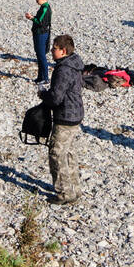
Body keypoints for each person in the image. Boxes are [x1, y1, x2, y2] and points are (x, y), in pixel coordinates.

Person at [38, 34, 84, 205]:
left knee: (56, 153)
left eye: (54, 48)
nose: (51, 50)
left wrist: (43, 94)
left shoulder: (63, 69)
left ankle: (64, 193)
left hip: (65, 116)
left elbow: (56, 97)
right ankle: (75, 188)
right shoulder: (75, 64)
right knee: (69, 152)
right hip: (76, 114)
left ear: (63, 51)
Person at [25, 0, 53, 84]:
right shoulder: (45, 7)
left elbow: (40, 21)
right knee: (39, 55)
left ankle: (45, 78)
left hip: (41, 34)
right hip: (41, 33)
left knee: (41, 56)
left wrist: (31, 18)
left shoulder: (45, 8)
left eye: (37, 0)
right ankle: (40, 77)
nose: (36, 2)